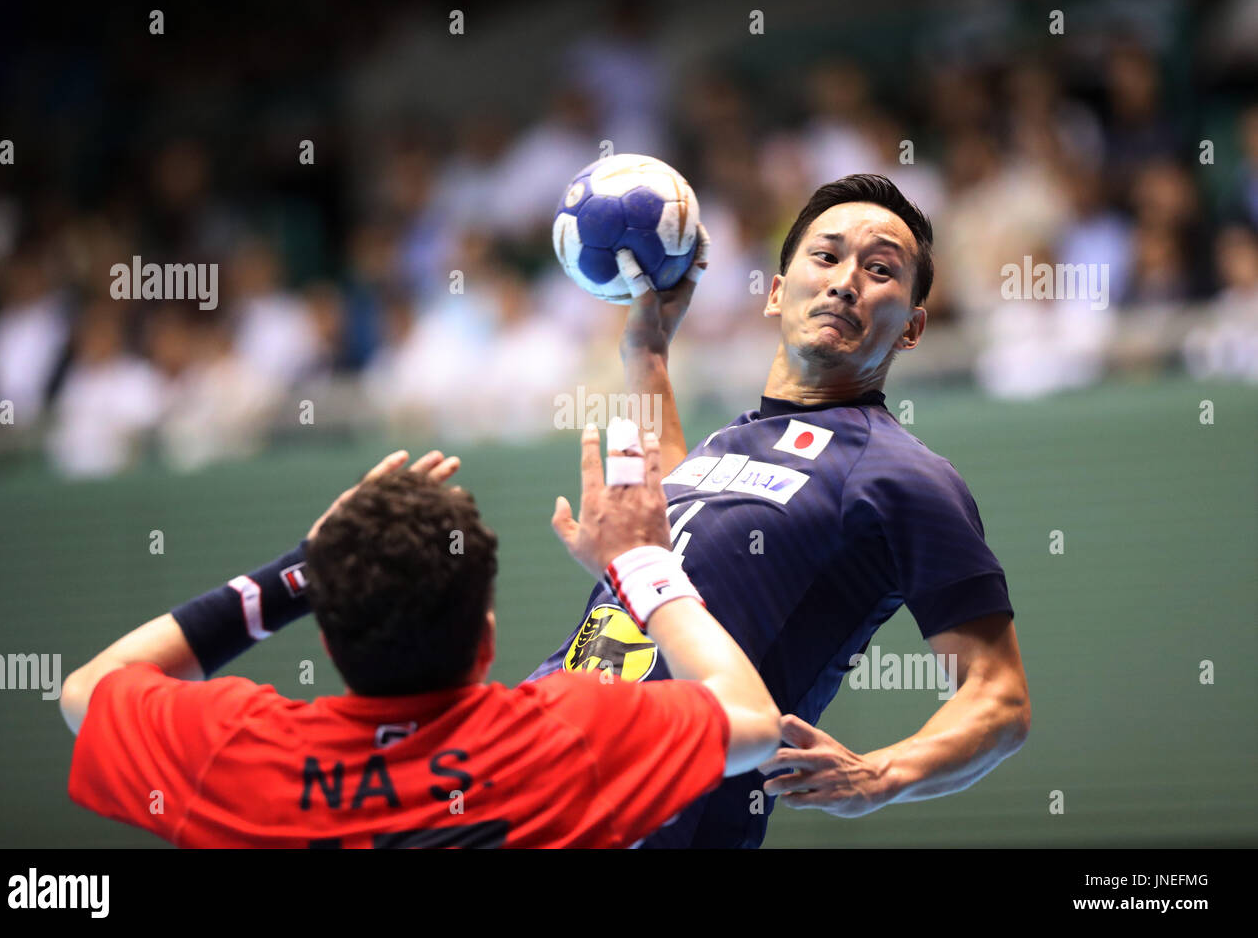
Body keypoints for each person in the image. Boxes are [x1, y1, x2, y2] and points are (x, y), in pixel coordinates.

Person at [528, 173, 1032, 848]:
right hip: (542, 767)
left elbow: (999, 698)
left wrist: (881, 773)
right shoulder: (726, 441)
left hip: (663, 816)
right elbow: (672, 513)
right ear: (774, 292)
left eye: (879, 269)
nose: (845, 281)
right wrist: (646, 348)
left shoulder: (903, 476)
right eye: (825, 257)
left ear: (912, 329)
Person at [61, 434, 781, 848]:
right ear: (487, 639)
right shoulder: (570, 734)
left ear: (332, 645)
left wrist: (299, 573)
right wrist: (639, 562)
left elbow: (87, 690)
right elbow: (753, 722)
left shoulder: (240, 752)